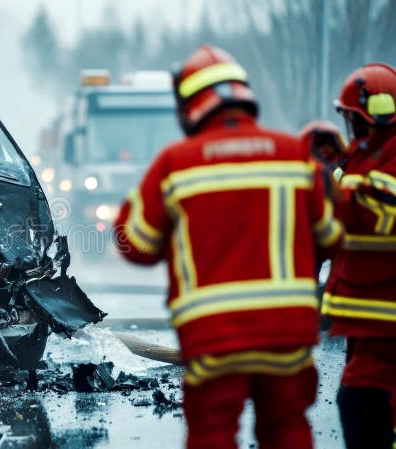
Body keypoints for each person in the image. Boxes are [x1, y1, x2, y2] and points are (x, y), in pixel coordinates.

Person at [113, 45, 343, 449]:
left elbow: (136, 244)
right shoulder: (295, 156)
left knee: (212, 435)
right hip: (286, 334)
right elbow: (332, 234)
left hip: (214, 337)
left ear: (189, 108)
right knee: (288, 430)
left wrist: (140, 202)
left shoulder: (176, 163)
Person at [322, 63, 396, 449]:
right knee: (357, 403)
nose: (350, 128)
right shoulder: (361, 160)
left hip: (387, 327)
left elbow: (380, 206)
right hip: (367, 326)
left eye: (354, 119)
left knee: (369, 408)